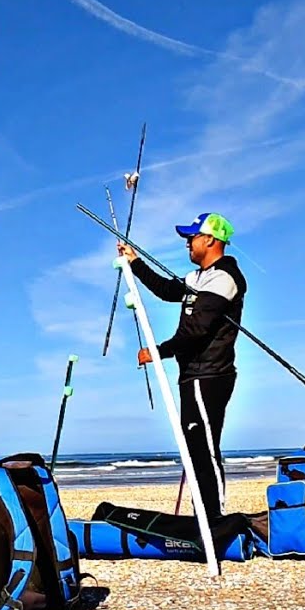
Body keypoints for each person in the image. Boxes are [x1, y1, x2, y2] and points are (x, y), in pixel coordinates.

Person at [118, 212, 246, 520]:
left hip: (210, 375)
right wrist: (134, 263)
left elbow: (196, 330)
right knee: (195, 449)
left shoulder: (224, 278)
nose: (187, 242)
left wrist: (157, 352)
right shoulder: (199, 277)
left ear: (211, 240)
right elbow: (165, 290)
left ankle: (213, 520)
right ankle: (202, 515)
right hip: (192, 376)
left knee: (205, 450)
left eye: (192, 237)